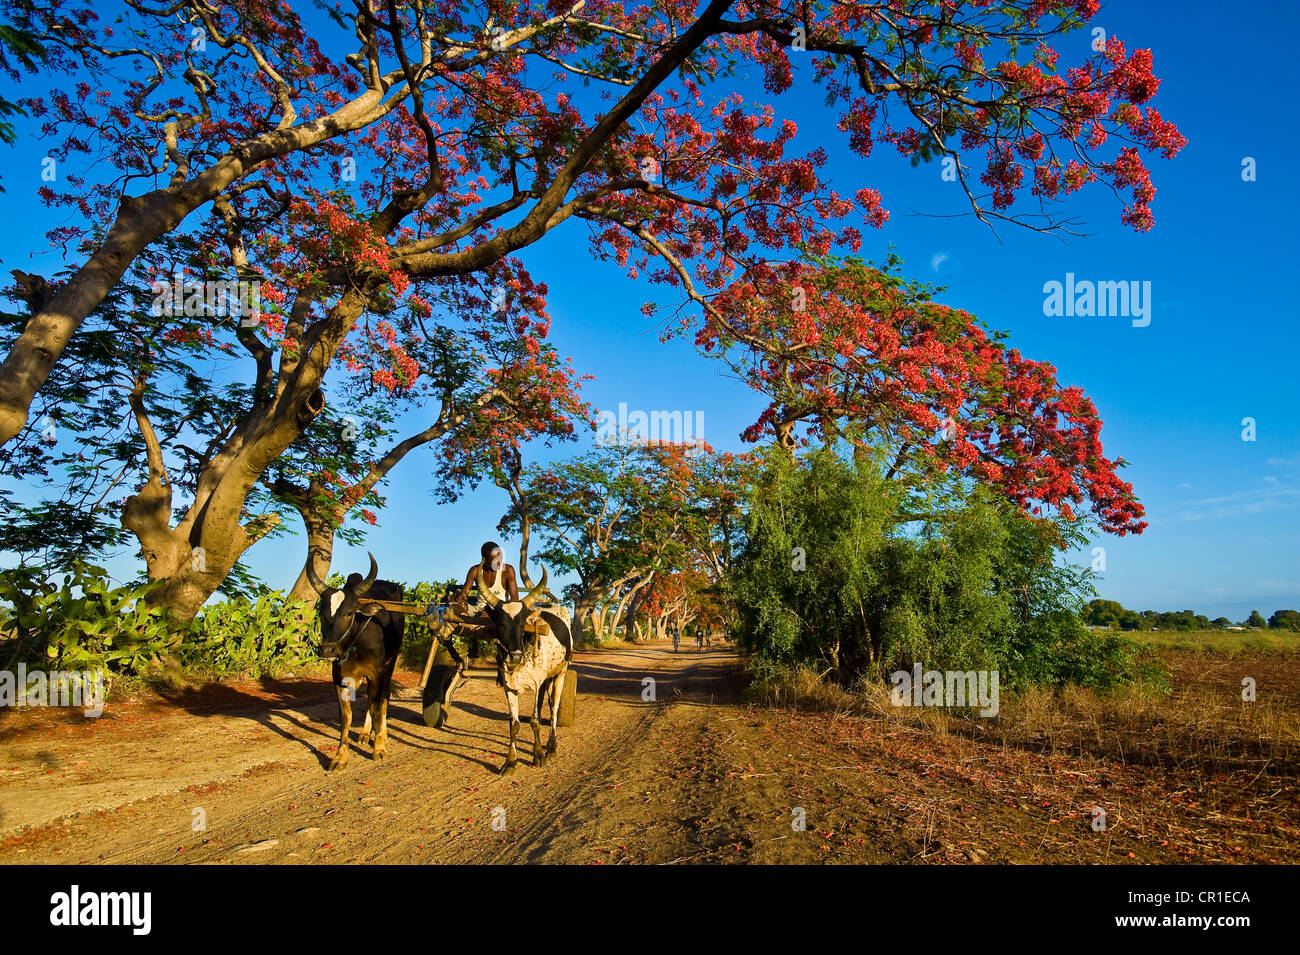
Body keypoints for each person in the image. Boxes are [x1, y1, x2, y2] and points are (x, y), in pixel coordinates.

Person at [454, 542, 520, 686]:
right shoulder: (475, 570)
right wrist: (462, 596)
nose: (498, 562)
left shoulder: (508, 570)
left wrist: (507, 613)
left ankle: (502, 658)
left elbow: (515, 598)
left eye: (500, 558)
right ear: (484, 559)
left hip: (501, 612)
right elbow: (466, 591)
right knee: (455, 610)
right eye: (494, 559)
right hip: (479, 610)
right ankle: (473, 648)